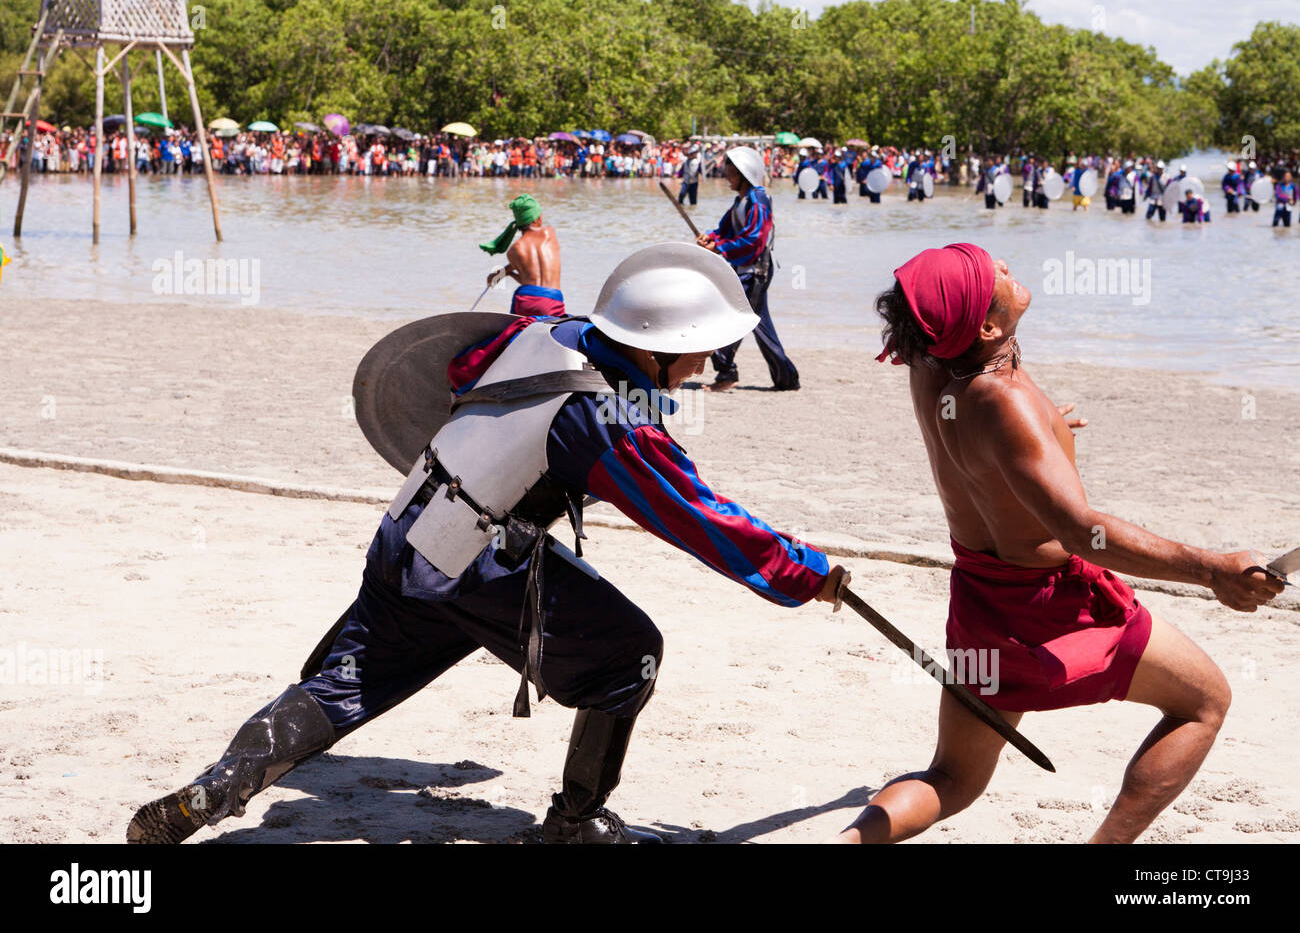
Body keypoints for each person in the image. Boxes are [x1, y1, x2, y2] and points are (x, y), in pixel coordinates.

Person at [126, 243, 847, 845]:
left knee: (345, 685)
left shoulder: (544, 333)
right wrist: (802, 572)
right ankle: (576, 825)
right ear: (651, 350)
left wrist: (539, 282)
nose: (698, 369)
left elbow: (472, 360)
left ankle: (215, 789)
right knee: (632, 653)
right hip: (476, 567)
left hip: (404, 535)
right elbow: (697, 517)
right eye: (691, 355)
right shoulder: (609, 421)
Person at [839, 243, 1283, 844]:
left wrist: (1042, 432)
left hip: (978, 599)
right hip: (1050, 609)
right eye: (991, 274)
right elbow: (1081, 531)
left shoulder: (932, 361)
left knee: (953, 779)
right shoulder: (1005, 402)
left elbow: (981, 436)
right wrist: (1210, 568)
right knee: (1203, 701)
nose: (1002, 267)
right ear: (988, 325)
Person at [698, 146, 800, 392]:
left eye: (731, 173)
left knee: (731, 317)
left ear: (744, 174)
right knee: (759, 324)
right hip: (747, 270)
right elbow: (725, 230)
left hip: (755, 271)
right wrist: (710, 238)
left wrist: (719, 247)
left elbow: (754, 240)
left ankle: (726, 374)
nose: (726, 176)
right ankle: (786, 380)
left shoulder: (758, 200)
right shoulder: (741, 201)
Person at [480, 193, 564, 315]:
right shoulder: (550, 234)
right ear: (537, 219)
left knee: (518, 331)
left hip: (526, 299)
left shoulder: (515, 250)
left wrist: (507, 273)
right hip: (553, 301)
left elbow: (531, 282)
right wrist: (507, 271)